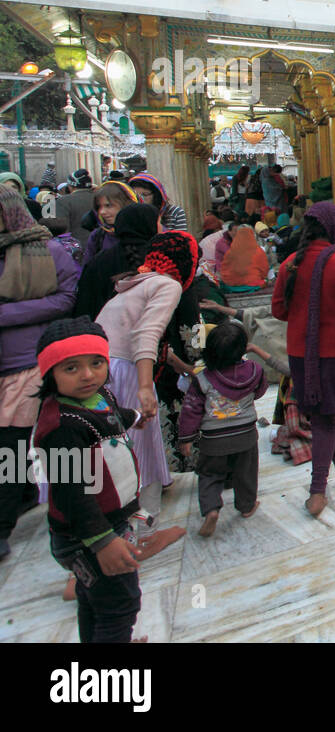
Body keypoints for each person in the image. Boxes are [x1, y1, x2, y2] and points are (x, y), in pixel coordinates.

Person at [32, 318, 147, 642]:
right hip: (87, 534)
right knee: (120, 604)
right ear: (50, 373)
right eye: (71, 368)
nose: (87, 375)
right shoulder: (62, 427)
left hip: (104, 525)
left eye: (96, 363)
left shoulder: (96, 396)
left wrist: (135, 417)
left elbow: (112, 414)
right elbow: (72, 494)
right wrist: (103, 542)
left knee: (93, 598)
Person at [94, 231, 197, 561]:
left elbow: (138, 338)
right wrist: (142, 387)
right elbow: (146, 335)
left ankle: (99, 543)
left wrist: (184, 369)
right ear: (186, 263)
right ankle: (143, 537)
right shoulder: (168, 286)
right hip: (127, 376)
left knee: (113, 457)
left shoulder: (132, 284)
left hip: (102, 374)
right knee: (143, 456)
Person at [271, 201, 335, 518]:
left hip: (302, 355)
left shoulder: (290, 263)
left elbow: (279, 310)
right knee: (326, 419)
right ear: (334, 229)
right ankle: (318, 490)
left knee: (327, 415)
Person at [0, 187, 81, 560]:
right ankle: (27, 496)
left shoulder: (46, 251)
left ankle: (3, 525)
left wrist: (7, 315)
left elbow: (67, 297)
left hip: (27, 364)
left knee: (13, 448)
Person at [178, 322, 272, 537]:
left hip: (213, 440)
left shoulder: (202, 379)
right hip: (246, 435)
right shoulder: (254, 371)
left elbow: (191, 410)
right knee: (246, 472)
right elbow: (261, 391)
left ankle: (211, 509)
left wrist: (186, 438)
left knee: (210, 473)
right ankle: (247, 506)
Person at [83, 181, 141, 263]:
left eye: (108, 206)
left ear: (126, 204)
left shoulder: (147, 231)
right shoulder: (98, 236)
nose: (102, 212)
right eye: (99, 206)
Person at [218, 224, 270, 291]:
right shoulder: (258, 251)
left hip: (232, 285)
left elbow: (224, 270)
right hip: (252, 284)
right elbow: (264, 271)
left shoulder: (230, 252)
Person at [55, 169, 98, 248]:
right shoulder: (100, 198)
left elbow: (62, 228)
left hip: (77, 249)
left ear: (70, 186)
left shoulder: (63, 201)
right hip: (100, 246)